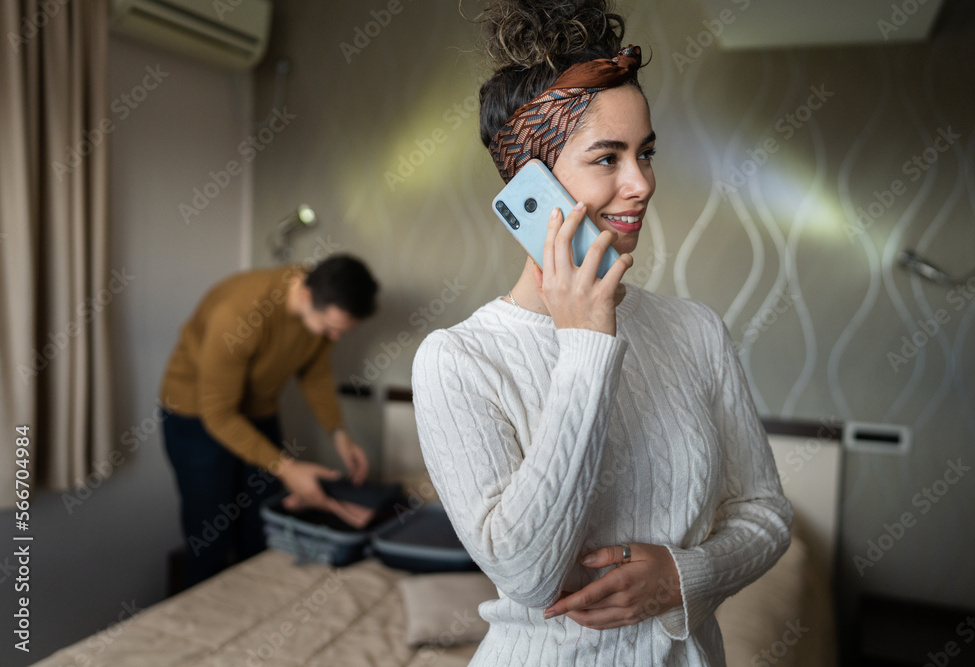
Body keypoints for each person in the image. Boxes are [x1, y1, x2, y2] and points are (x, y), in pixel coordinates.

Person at [410, 1, 792, 664]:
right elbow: (528, 575)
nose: (641, 184)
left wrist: (684, 576)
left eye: (646, 153)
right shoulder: (457, 360)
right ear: (531, 185)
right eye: (607, 158)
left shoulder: (695, 330)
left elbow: (766, 511)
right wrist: (587, 344)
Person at [160, 254, 378, 587]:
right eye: (331, 328)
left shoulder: (319, 302)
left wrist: (339, 435)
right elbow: (219, 414)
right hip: (197, 416)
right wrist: (288, 469)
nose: (335, 338)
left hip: (257, 412)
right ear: (306, 296)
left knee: (261, 524)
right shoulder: (238, 314)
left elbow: (315, 374)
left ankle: (256, 606)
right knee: (211, 531)